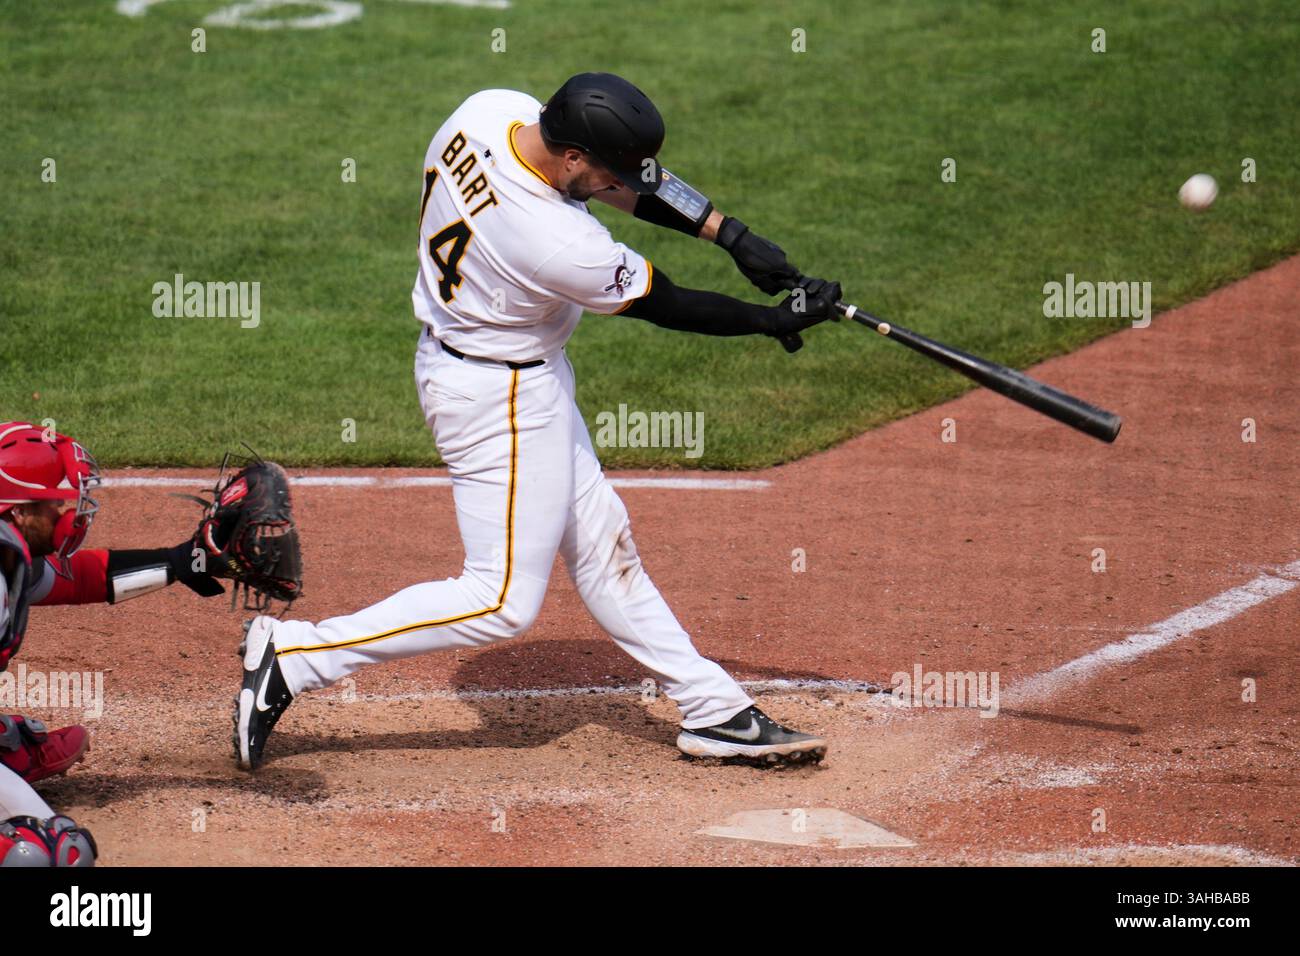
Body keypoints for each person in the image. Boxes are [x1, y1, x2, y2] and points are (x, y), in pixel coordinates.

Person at [233, 72, 842, 772]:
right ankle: (296, 656)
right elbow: (665, 301)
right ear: (575, 159)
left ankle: (715, 711)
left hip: (502, 369)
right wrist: (772, 321)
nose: (619, 185)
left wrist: (727, 233)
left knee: (604, 544)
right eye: (608, 171)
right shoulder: (554, 240)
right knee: (499, 601)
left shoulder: (491, 113)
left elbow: (631, 184)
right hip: (499, 401)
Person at [0, 422, 227, 866]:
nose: (70, 514)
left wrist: (183, 562)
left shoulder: (9, 552)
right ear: (16, 512)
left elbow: (79, 579)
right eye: (53, 504)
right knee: (42, 856)